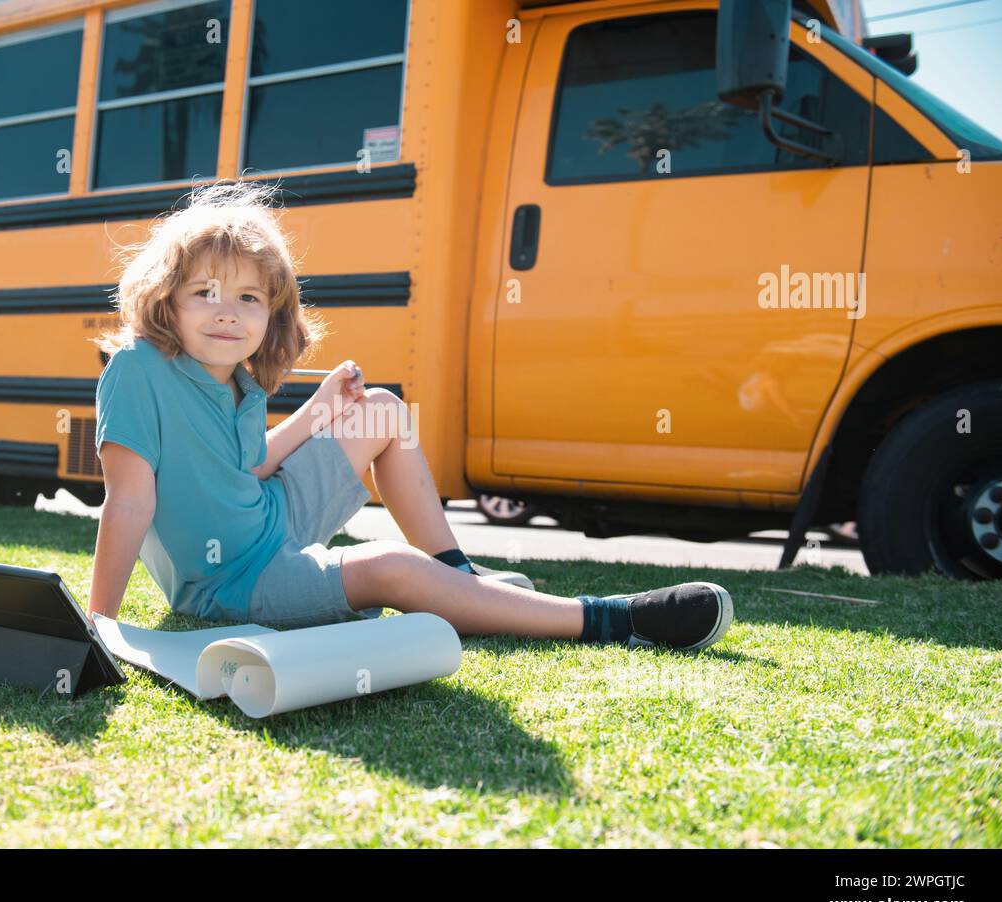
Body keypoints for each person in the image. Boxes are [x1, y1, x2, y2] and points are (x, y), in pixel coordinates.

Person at [87, 180, 732, 651]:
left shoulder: (238, 380)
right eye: (204, 292)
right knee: (388, 566)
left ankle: (456, 575)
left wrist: (319, 410)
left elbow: (250, 465)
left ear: (271, 315)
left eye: (248, 297)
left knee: (384, 412)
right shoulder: (140, 371)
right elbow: (130, 504)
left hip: (272, 519)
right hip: (232, 583)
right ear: (164, 301)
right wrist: (102, 625)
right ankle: (611, 617)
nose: (227, 311)